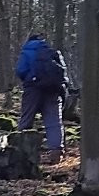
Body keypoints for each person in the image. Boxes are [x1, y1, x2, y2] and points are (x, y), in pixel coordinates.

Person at [14, 33, 68, 163]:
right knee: (54, 121)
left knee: (27, 118)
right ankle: (56, 153)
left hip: (33, 89)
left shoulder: (26, 51)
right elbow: (62, 72)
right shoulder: (51, 51)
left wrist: (28, 79)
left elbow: (20, 70)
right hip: (52, 90)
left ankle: (21, 150)